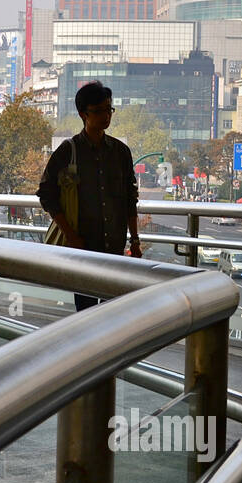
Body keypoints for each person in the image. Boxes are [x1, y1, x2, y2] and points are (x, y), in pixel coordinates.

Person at [37, 81, 141, 312]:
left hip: (114, 245)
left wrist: (134, 239)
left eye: (109, 109)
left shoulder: (120, 152)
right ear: (83, 114)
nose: (106, 116)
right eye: (99, 111)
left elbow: (129, 198)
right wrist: (71, 235)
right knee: (85, 311)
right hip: (82, 245)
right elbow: (46, 194)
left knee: (112, 311)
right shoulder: (68, 150)